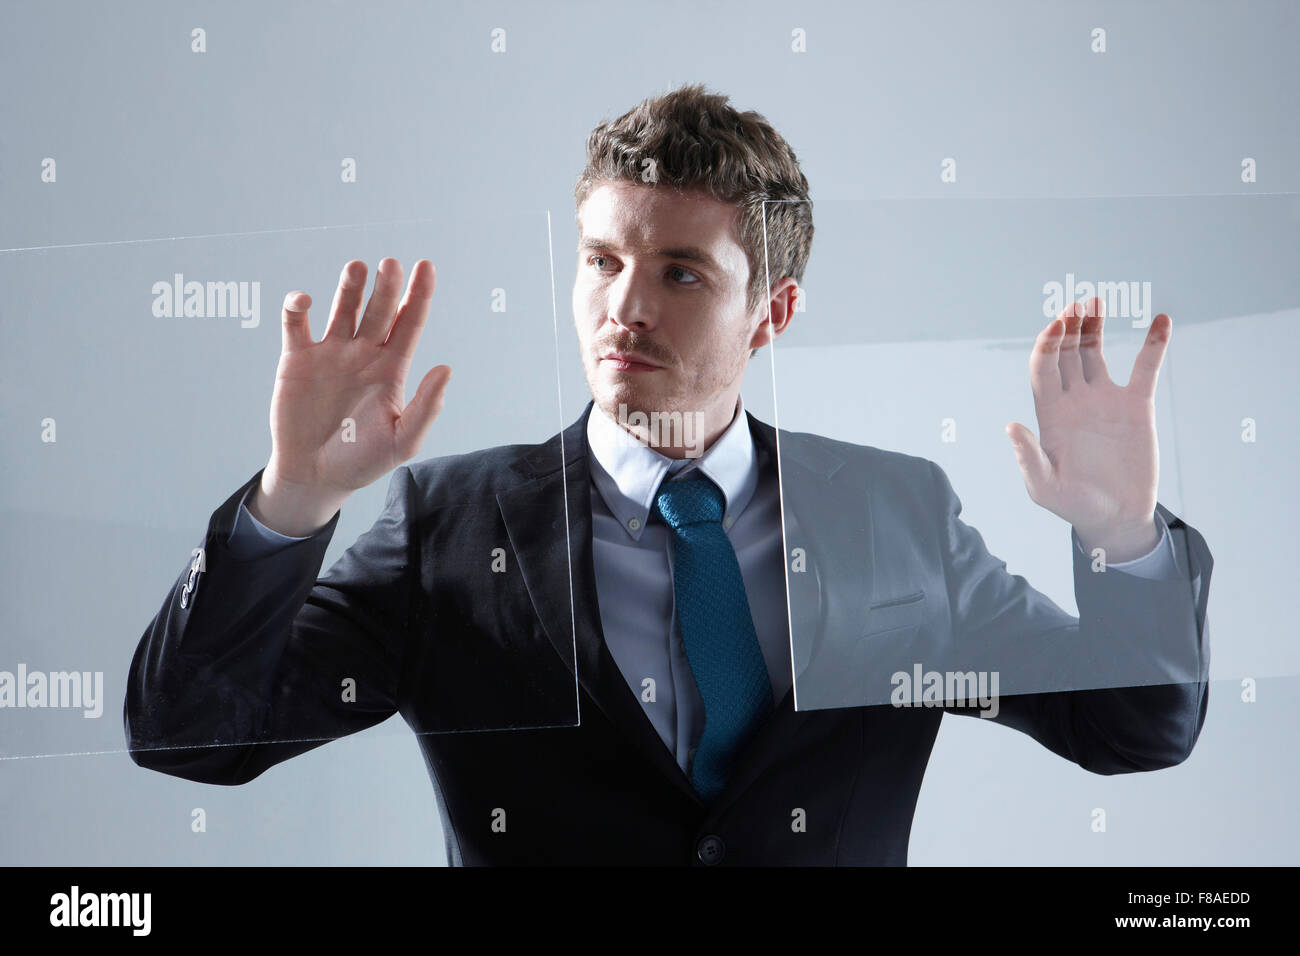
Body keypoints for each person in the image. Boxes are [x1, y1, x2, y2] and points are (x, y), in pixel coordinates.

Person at [125, 84, 1212, 866]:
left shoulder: (893, 515)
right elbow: (191, 735)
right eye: (601, 261)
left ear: (771, 311)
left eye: (679, 271)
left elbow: (1129, 726)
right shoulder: (448, 524)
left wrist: (1125, 539)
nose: (623, 306)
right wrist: (292, 500)